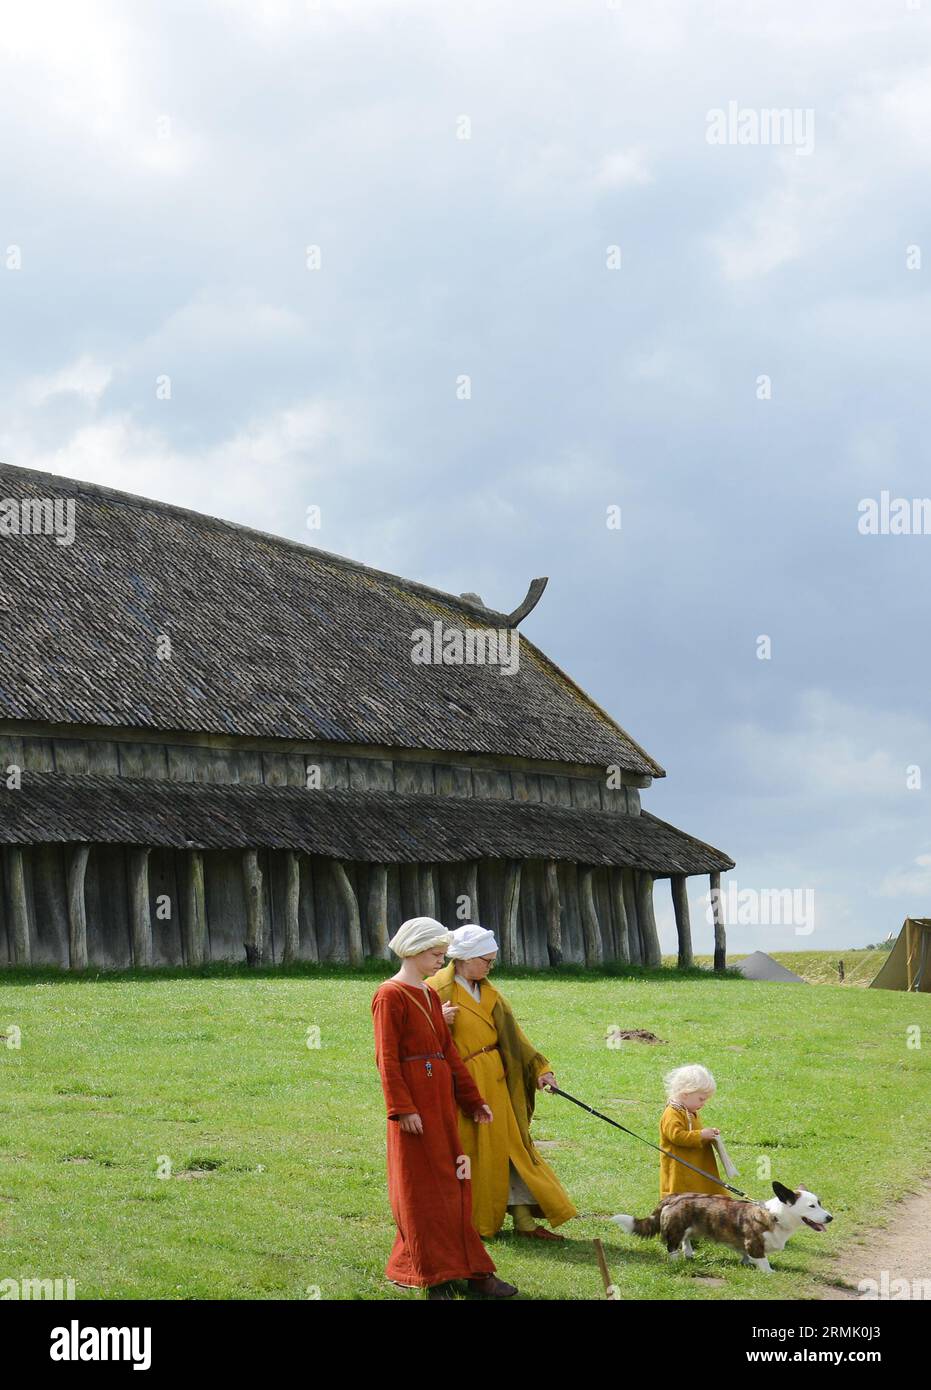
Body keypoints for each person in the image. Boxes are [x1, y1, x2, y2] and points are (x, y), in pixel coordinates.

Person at [371, 916, 518, 1299]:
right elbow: (386, 1059)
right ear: (415, 951)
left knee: (455, 1186)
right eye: (436, 954)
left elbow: (448, 1053)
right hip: (413, 1109)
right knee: (421, 1192)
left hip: (440, 1104)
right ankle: (432, 1274)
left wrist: (472, 1100)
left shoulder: (430, 995)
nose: (442, 961)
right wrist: (403, 1109)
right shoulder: (389, 995)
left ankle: (472, 1270)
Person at [426, 924, 577, 1239]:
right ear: (466, 957)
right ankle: (469, 1223)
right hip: (460, 1086)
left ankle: (524, 1223)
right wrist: (435, 1020)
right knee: (472, 1155)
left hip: (497, 1084)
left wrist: (540, 1070)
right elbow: (413, 1042)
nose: (490, 966)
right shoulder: (435, 991)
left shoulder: (491, 994)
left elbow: (514, 1037)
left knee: (512, 1149)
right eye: (486, 960)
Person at [659, 1064, 731, 1198]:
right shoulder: (672, 1113)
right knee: (682, 1198)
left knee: (702, 1191)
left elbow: (693, 1131)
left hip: (694, 1164)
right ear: (686, 1094)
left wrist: (708, 1134)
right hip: (680, 1168)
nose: (703, 1103)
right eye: (701, 1099)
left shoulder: (689, 1111)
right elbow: (677, 1136)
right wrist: (701, 1134)